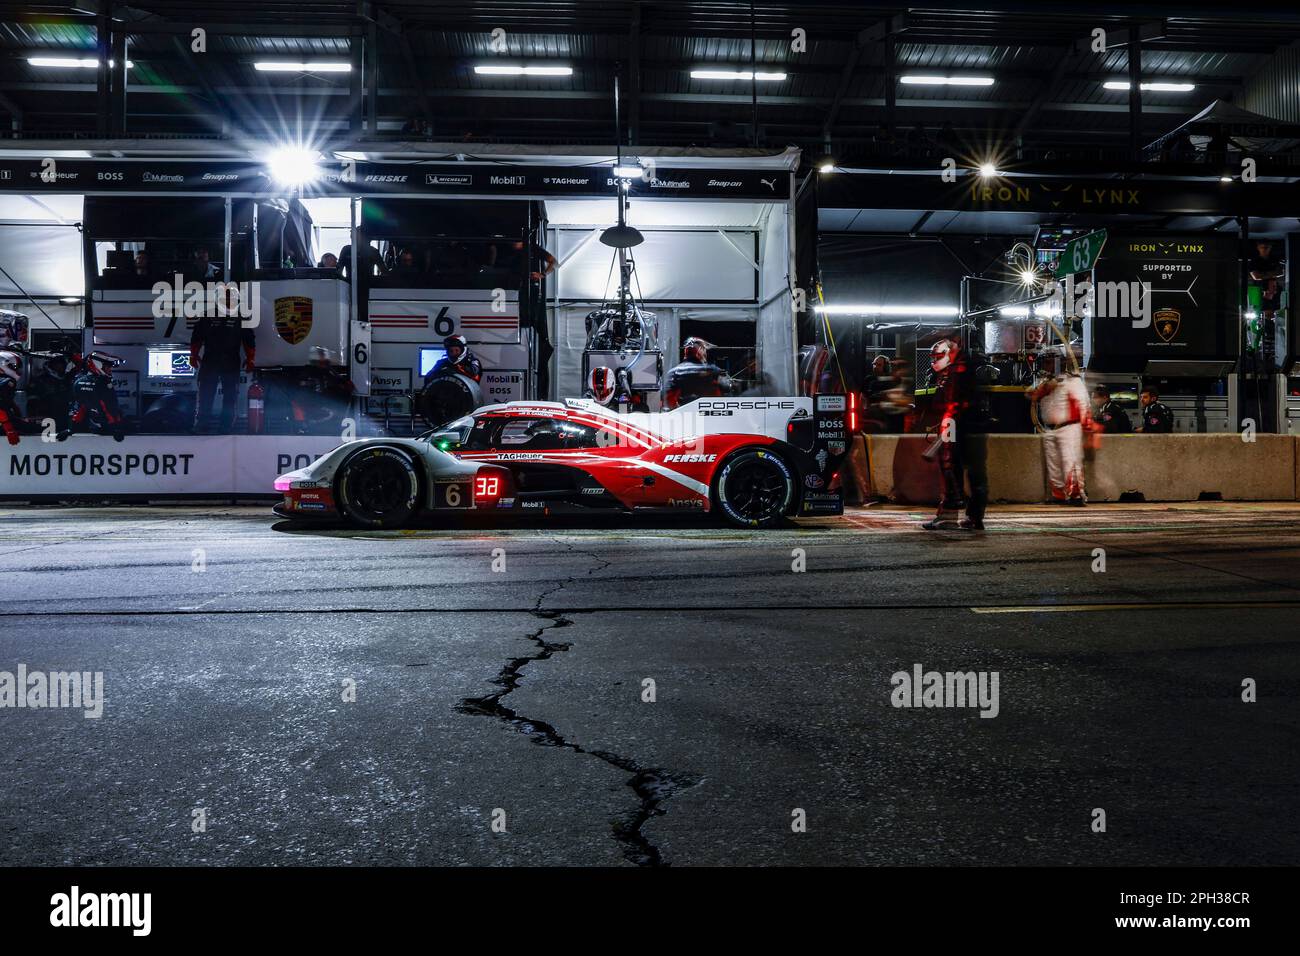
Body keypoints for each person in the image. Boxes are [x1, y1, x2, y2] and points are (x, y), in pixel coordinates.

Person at [921, 336, 988, 531]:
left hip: (960, 426)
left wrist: (947, 428)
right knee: (977, 475)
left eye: (936, 357)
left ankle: (949, 516)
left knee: (950, 467)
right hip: (975, 427)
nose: (934, 362)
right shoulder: (969, 365)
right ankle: (976, 518)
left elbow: (953, 404)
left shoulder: (958, 370)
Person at [1028, 351, 1090, 505]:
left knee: (1072, 461)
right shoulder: (1044, 382)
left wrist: (1087, 428)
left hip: (1069, 427)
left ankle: (1076, 495)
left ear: (1058, 362)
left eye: (1048, 362)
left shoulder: (1073, 381)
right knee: (1053, 464)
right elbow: (1030, 395)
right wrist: (1046, 387)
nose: (1045, 366)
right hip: (1049, 428)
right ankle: (1059, 495)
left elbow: (1084, 405)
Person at [191, 311, 255, 433]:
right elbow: (196, 336)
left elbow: (249, 339)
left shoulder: (240, 317)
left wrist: (251, 358)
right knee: (206, 394)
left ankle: (226, 425)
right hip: (210, 361)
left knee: (230, 395)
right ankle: (202, 424)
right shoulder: (208, 316)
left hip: (230, 362)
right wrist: (193, 355)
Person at [662, 337, 731, 409]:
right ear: (700, 351)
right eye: (704, 350)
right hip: (711, 414)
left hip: (684, 416)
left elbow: (667, 399)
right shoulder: (713, 370)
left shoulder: (674, 372)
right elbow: (727, 388)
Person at [0, 349, 23, 445]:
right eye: (15, 367)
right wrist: (9, 428)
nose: (17, 370)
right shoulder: (7, 382)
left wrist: (13, 406)